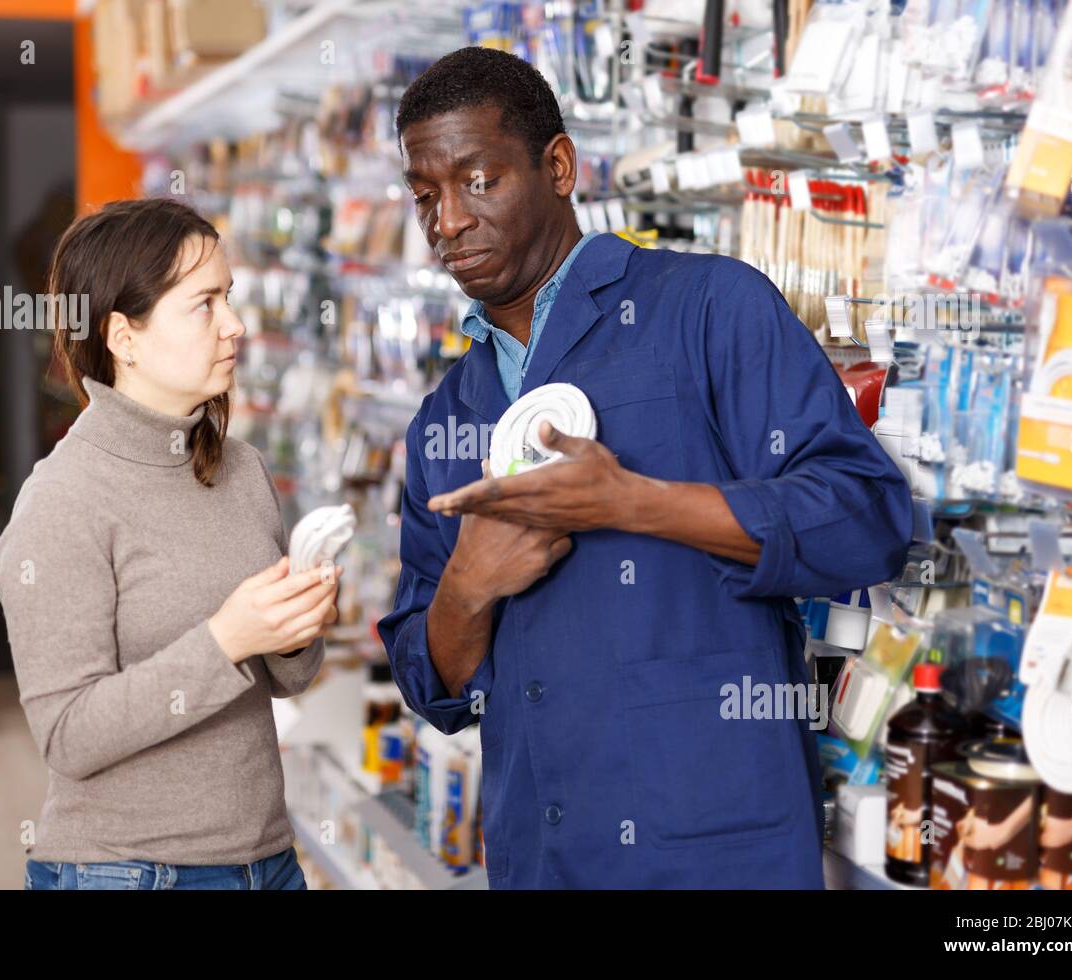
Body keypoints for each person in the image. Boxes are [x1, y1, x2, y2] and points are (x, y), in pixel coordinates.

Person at [378, 47, 913, 888]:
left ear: (558, 167)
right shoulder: (449, 416)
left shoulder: (709, 309)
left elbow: (865, 519)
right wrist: (467, 586)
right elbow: (427, 681)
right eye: (425, 195)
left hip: (716, 854)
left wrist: (634, 503)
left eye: (476, 180)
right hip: (544, 856)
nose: (447, 220)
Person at [0, 198, 339, 890]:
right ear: (124, 337)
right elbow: (68, 735)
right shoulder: (63, 501)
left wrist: (294, 627)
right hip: (132, 873)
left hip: (267, 862)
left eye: (229, 299)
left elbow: (287, 678)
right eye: (204, 304)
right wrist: (225, 639)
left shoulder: (242, 471)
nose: (235, 326)